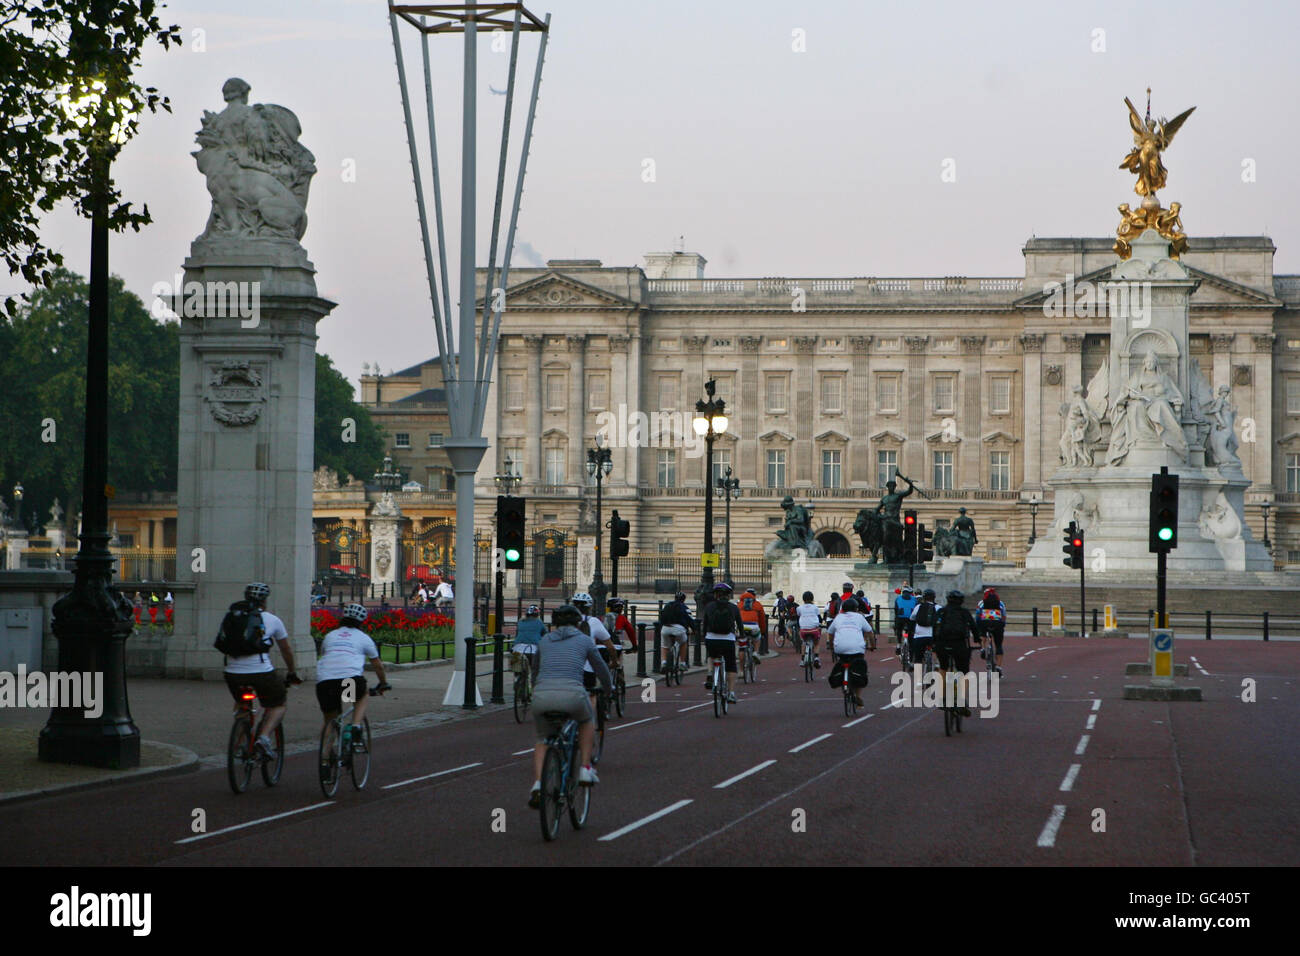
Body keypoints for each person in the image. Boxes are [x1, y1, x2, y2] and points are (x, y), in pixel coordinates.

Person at [528, 604, 613, 806]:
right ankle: (585, 768)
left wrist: (535, 690)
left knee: (542, 738)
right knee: (586, 720)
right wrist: (609, 690)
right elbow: (600, 668)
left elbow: (535, 671)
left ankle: (539, 783)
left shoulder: (544, 640)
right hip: (573, 694)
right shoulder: (584, 640)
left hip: (542, 695)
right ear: (577, 623)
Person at [222, 582, 300, 760]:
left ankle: (239, 741)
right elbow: (285, 650)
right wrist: (291, 672)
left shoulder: (233, 616)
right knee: (278, 703)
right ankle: (264, 737)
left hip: (232, 672)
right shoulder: (272, 620)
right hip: (260, 671)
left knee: (242, 703)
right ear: (264, 601)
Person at [315, 602, 390, 747]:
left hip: (325, 683)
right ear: (361, 621)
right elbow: (377, 666)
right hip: (349, 681)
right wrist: (383, 683)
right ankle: (356, 726)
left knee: (330, 721)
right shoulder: (363, 638)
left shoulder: (330, 635)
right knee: (361, 695)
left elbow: (323, 655)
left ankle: (325, 760)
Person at [932, 590, 977, 717]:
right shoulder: (964, 612)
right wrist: (978, 639)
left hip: (942, 644)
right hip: (959, 644)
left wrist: (934, 643)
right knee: (964, 672)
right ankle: (961, 700)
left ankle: (941, 697)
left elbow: (933, 626)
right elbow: (974, 627)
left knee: (943, 668)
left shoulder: (941, 611)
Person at [571, 592, 615, 714]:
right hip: (586, 667)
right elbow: (609, 645)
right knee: (591, 694)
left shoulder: (564, 623)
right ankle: (589, 721)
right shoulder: (593, 621)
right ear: (589, 607)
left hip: (565, 666)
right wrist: (614, 661)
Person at [701, 582, 744, 704]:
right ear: (728, 595)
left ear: (716, 595)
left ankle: (710, 672)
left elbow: (705, 624)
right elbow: (740, 625)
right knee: (731, 665)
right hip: (727, 639)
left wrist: (705, 636)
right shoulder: (733, 607)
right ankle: (730, 693)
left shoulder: (709, 607)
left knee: (711, 655)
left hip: (711, 638)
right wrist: (742, 636)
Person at [827, 597, 871, 706]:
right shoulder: (859, 617)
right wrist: (872, 645)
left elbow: (830, 632)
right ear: (856, 608)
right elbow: (869, 632)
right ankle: (858, 696)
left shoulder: (838, 617)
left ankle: (844, 687)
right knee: (860, 669)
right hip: (857, 649)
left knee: (841, 663)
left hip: (840, 648)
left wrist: (832, 645)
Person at [658, 591, 694, 672]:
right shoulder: (684, 607)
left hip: (665, 628)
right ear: (684, 599)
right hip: (679, 629)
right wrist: (694, 629)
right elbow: (690, 620)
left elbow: (662, 617)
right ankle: (682, 663)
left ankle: (663, 663)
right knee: (683, 642)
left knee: (664, 646)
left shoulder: (667, 605)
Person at [512, 604, 547, 683]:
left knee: (517, 669)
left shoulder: (520, 622)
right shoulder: (539, 622)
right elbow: (545, 634)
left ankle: (517, 680)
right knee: (535, 669)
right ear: (537, 614)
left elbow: (517, 635)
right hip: (533, 649)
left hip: (517, 649)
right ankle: (533, 685)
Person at [976, 587, 1006, 675]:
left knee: (983, 634)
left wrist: (978, 625)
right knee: (998, 645)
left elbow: (978, 615)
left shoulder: (981, 603)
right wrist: (1002, 625)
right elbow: (1003, 615)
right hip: (997, 624)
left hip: (984, 623)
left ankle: (982, 648)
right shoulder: (1001, 603)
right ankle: (999, 667)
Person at [908, 588, 939, 669]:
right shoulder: (938, 607)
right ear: (934, 597)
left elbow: (912, 618)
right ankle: (937, 663)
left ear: (924, 598)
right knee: (938, 649)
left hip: (919, 636)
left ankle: (917, 679)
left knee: (918, 658)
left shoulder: (918, 606)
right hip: (933, 636)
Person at [737, 588, 766, 666]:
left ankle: (741, 671)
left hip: (742, 627)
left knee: (742, 648)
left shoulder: (739, 604)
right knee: (757, 638)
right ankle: (755, 653)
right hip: (753, 626)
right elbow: (762, 619)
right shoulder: (758, 604)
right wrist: (763, 631)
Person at [796, 590, 823, 668]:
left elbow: (798, 617)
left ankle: (802, 659)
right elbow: (819, 618)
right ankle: (816, 658)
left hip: (803, 630)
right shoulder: (815, 607)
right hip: (814, 630)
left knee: (804, 643)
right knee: (816, 643)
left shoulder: (799, 608)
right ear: (812, 598)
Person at [893, 587, 918, 655]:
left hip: (900, 618)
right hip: (910, 618)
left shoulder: (898, 598)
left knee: (899, 630)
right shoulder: (914, 599)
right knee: (911, 632)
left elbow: (896, 609)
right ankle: (911, 647)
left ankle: (898, 645)